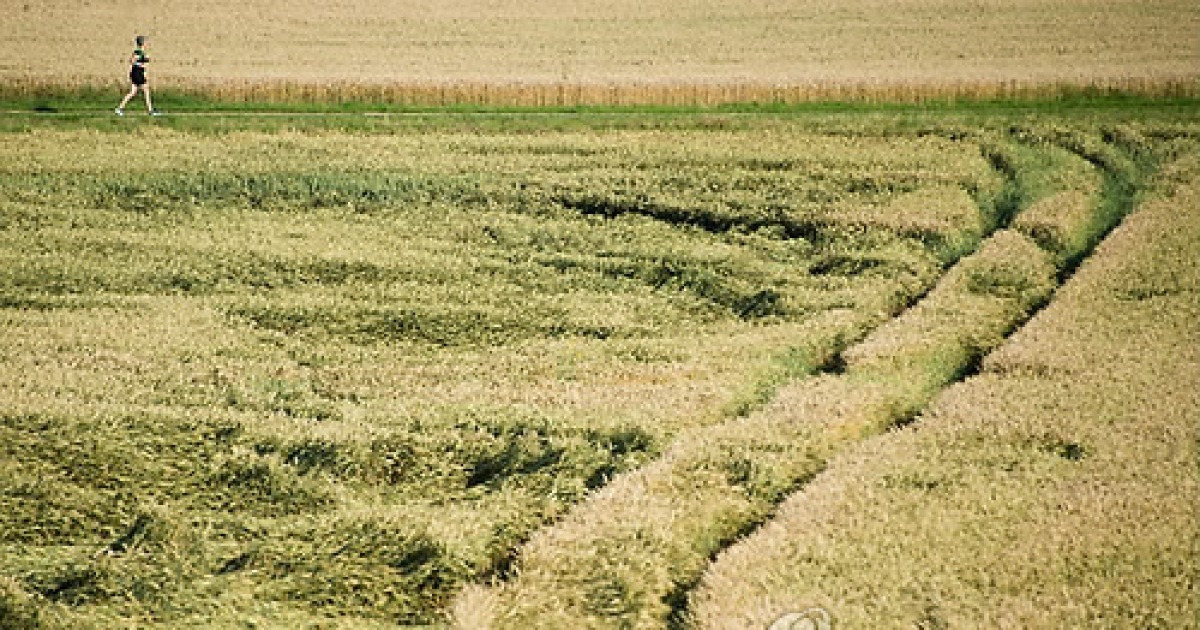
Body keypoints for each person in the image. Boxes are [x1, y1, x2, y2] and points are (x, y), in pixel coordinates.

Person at [115, 35, 159, 116]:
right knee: (146, 91)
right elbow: (132, 61)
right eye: (145, 42)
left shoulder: (141, 52)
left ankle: (119, 108)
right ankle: (150, 111)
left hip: (136, 73)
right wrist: (141, 64)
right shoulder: (139, 52)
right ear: (142, 43)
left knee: (133, 92)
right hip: (137, 73)